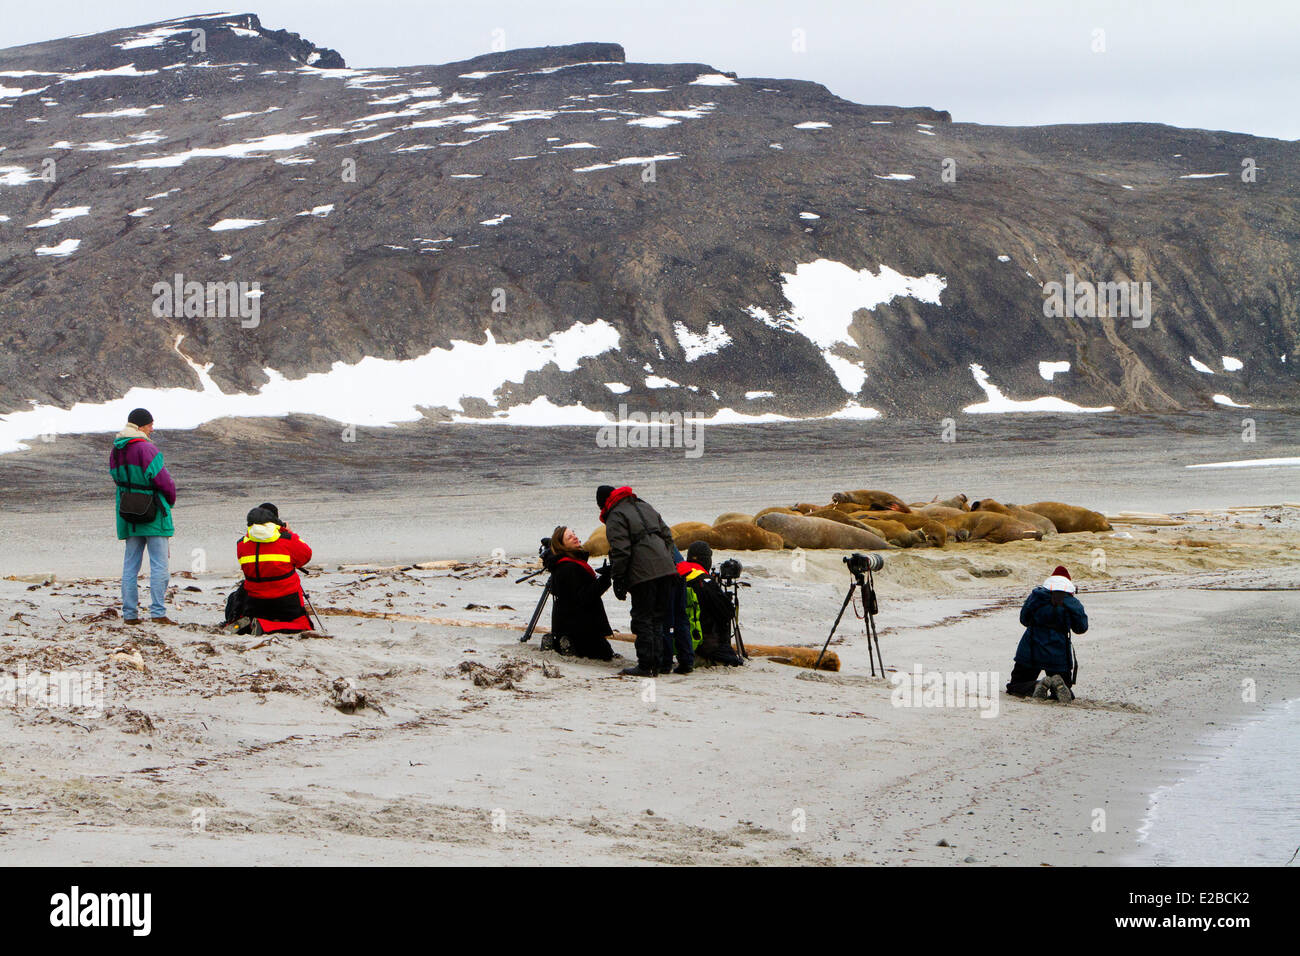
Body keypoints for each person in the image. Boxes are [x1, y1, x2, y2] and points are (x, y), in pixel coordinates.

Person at [598, 484, 677, 677]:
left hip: (644, 574)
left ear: (602, 504)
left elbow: (621, 551)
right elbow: (668, 537)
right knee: (657, 619)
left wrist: (618, 580)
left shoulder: (615, 515)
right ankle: (656, 664)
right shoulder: (644, 505)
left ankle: (646, 665)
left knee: (642, 618)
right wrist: (666, 560)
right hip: (667, 570)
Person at [109, 407, 177, 625]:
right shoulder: (147, 449)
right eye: (150, 425)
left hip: (128, 511)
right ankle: (158, 612)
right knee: (159, 564)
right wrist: (170, 500)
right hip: (153, 511)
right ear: (141, 426)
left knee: (130, 564)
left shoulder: (116, 450)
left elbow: (115, 475)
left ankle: (130, 614)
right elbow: (164, 481)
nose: (152, 429)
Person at [1006, 565, 1088, 702]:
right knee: (1065, 690)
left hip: (1031, 649)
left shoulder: (1036, 597)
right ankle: (1057, 686)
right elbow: (1081, 628)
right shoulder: (1073, 603)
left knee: (1016, 685)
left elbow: (1024, 619)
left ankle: (1037, 685)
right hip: (1059, 653)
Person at [232, 505, 314, 634]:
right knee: (303, 625)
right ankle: (264, 626)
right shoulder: (287, 539)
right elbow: (306, 556)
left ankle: (250, 623)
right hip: (286, 598)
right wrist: (288, 532)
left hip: (255, 601)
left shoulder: (241, 544)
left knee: (245, 591)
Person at [539, 526, 615, 660]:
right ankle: (563, 643)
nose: (574, 537)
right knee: (604, 654)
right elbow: (583, 597)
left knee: (605, 652)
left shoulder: (564, 563)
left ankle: (558, 641)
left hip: (570, 622)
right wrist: (604, 579)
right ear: (562, 545)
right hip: (580, 626)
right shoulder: (568, 567)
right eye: (569, 537)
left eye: (573, 533)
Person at [676, 541, 743, 666]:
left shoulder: (677, 574)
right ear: (707, 560)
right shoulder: (704, 582)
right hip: (704, 645)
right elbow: (727, 613)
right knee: (733, 661)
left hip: (677, 642)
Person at [662, 545, 694, 674]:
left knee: (666, 618)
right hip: (681, 567)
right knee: (681, 617)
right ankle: (687, 661)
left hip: (668, 571)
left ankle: (665, 662)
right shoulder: (659, 526)